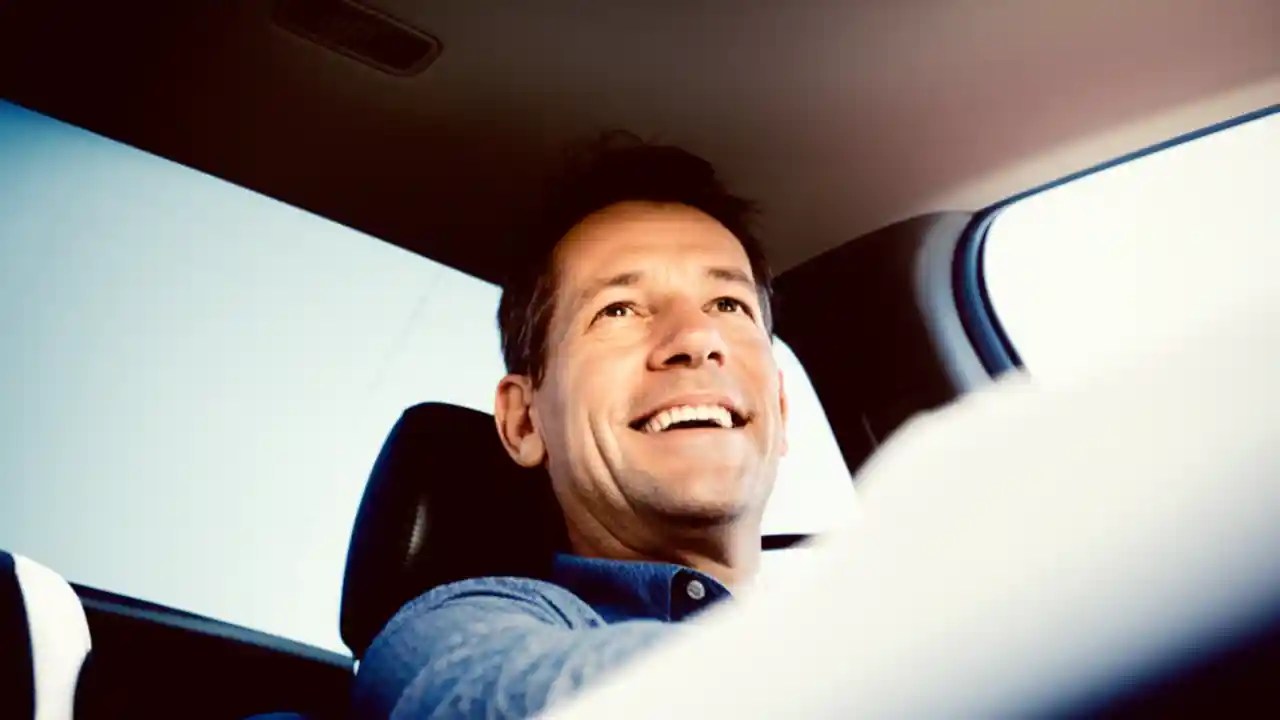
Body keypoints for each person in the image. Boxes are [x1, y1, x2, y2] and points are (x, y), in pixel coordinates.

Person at [351, 135, 790, 718]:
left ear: (781, 409)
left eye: (728, 305)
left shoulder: (856, 600)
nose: (695, 339)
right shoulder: (457, 629)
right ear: (524, 421)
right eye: (617, 310)